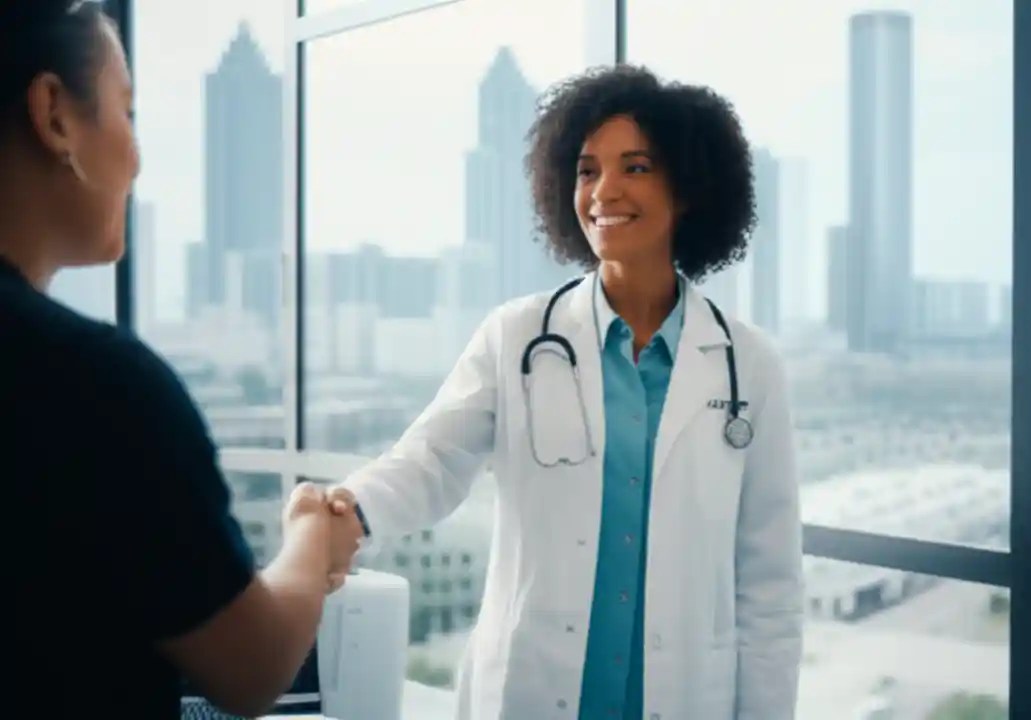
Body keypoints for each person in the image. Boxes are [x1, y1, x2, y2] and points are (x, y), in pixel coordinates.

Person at [325, 64, 803, 719]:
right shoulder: (517, 335)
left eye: (635, 166)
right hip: (529, 689)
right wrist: (347, 514)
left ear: (688, 187)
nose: (604, 190)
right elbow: (430, 461)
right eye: (586, 169)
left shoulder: (750, 365)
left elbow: (770, 583)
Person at [0, 2, 359, 716]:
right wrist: (313, 537)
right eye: (126, 112)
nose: (137, 153)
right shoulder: (93, 386)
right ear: (54, 114)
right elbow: (250, 666)